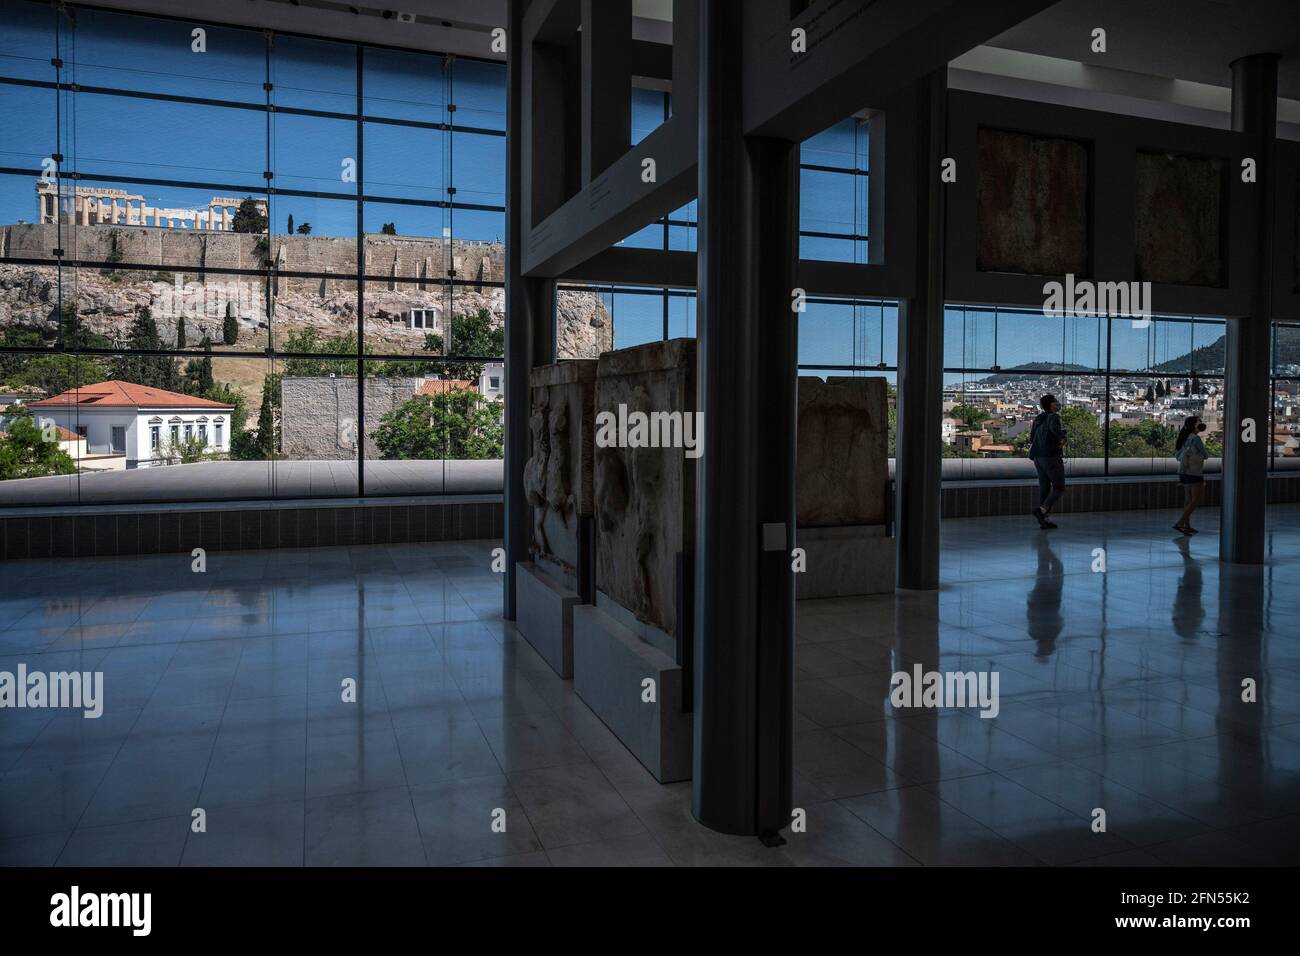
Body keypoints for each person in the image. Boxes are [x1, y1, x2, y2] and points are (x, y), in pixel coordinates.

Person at [1028, 394, 1067, 529]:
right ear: (1051, 404)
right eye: (1055, 401)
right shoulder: (1054, 417)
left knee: (1044, 488)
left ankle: (1044, 520)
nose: (1057, 403)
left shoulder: (1038, 418)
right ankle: (1042, 510)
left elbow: (1031, 438)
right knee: (1059, 487)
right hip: (1050, 456)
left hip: (1037, 457)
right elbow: (1055, 431)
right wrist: (1062, 438)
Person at [1174, 415, 1209, 534]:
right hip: (1194, 472)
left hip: (1183, 472)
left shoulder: (1183, 438)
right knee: (1196, 500)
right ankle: (1180, 523)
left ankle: (1187, 526)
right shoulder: (1196, 439)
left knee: (1188, 499)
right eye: (1199, 422)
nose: (1201, 424)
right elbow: (1205, 455)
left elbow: (1177, 455)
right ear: (1194, 425)